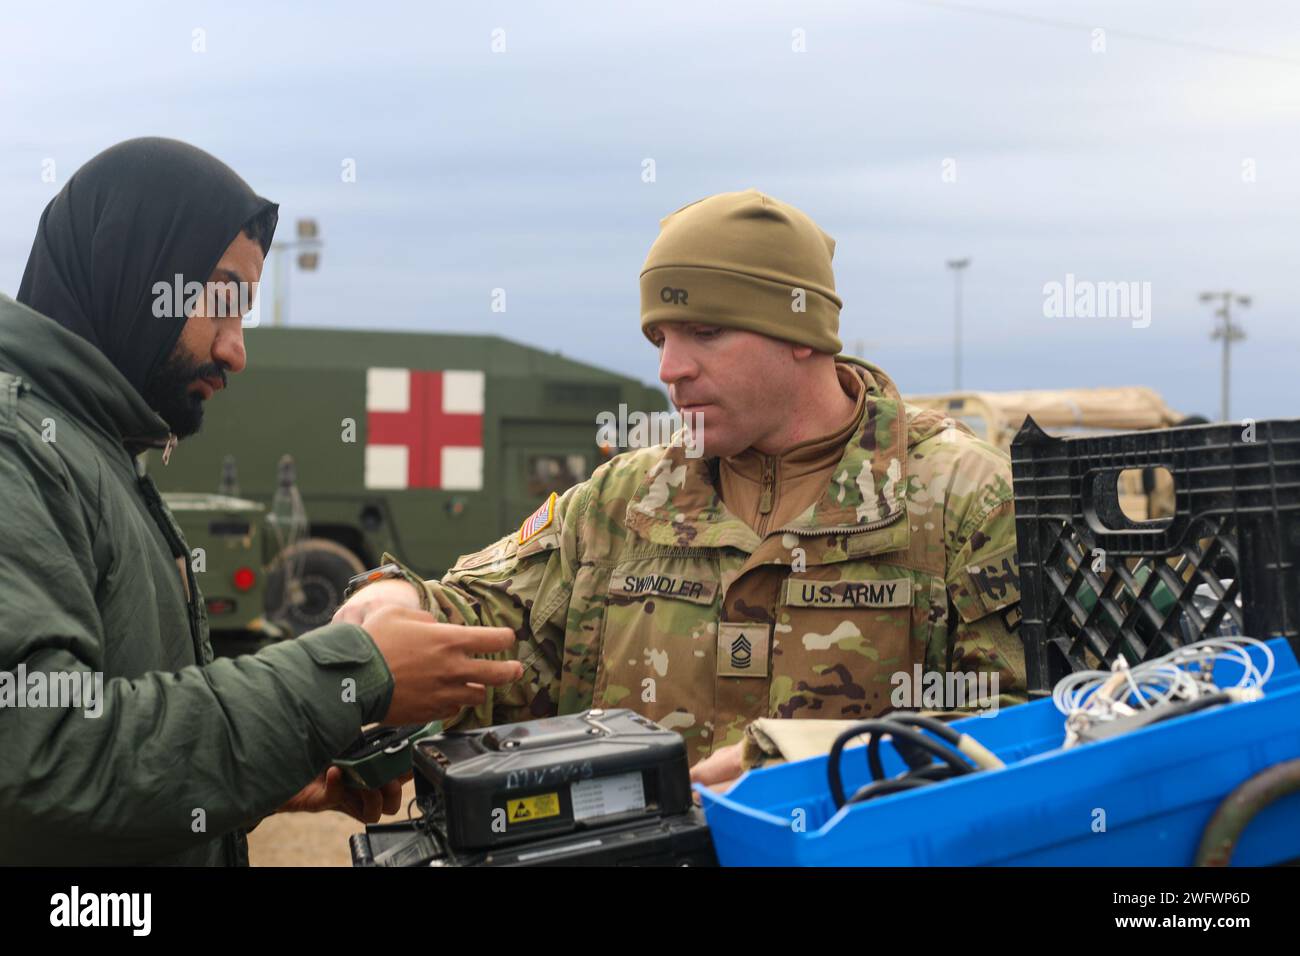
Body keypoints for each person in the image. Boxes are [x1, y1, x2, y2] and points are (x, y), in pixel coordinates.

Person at [336, 188, 1027, 783]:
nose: (671, 369)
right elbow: (493, 622)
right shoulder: (627, 500)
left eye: (703, 332)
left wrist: (809, 762)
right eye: (659, 338)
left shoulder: (966, 501)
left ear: (803, 334)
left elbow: (1041, 731)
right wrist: (399, 598)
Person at [0, 138, 521, 866]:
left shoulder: (92, 451)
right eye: (219, 304)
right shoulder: (16, 448)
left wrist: (255, 776)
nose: (236, 350)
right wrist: (352, 674)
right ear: (134, 271)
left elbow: (112, 760)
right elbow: (42, 756)